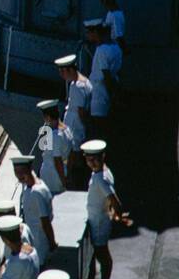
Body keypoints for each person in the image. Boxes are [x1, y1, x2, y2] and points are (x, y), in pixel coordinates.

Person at [82, 139, 132, 279]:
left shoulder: (100, 179)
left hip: (98, 224)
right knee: (100, 256)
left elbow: (115, 201)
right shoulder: (102, 172)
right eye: (89, 159)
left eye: (95, 159)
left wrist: (117, 215)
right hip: (99, 219)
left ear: (102, 156)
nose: (92, 162)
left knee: (102, 256)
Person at [55, 54, 92, 189]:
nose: (62, 76)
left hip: (76, 129)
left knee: (74, 160)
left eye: (62, 72)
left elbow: (81, 112)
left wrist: (87, 128)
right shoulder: (85, 82)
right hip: (77, 127)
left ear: (70, 70)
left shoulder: (77, 86)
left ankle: (73, 184)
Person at [13, 156, 56, 265]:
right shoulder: (35, 185)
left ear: (29, 169)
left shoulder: (36, 192)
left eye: (22, 172)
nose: (19, 176)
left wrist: (52, 243)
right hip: (34, 238)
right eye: (16, 172)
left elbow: (45, 221)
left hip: (39, 240)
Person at [84, 20, 122, 143]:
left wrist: (111, 96)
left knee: (97, 130)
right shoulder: (116, 47)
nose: (88, 35)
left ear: (96, 32)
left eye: (89, 32)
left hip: (99, 94)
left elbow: (105, 75)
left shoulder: (101, 51)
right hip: (109, 90)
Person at [35, 100, 71, 196]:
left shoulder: (56, 136)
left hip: (53, 178)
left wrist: (63, 182)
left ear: (47, 117)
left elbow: (57, 160)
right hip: (57, 174)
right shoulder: (66, 129)